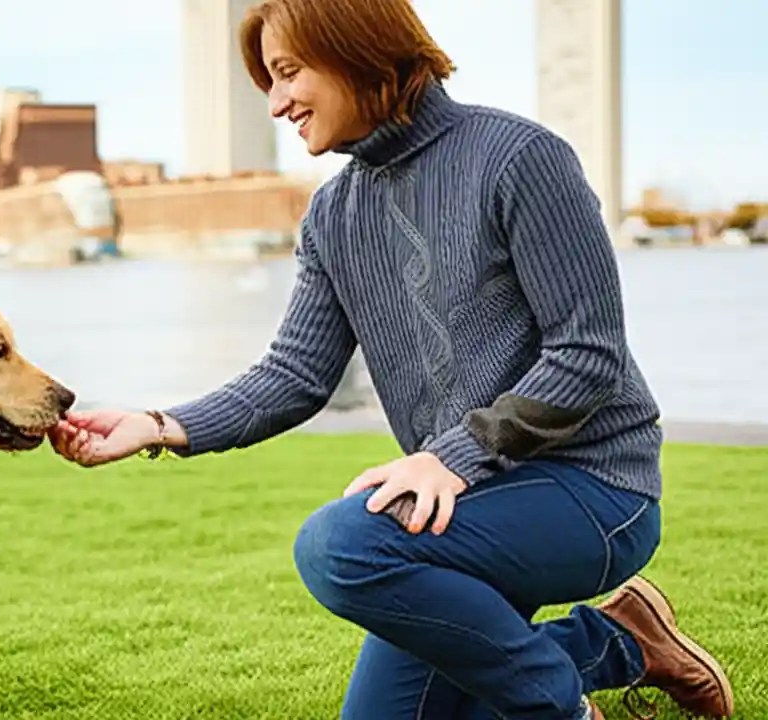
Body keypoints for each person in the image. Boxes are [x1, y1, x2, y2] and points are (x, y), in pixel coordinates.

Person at [48, 1, 735, 719]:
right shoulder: (332, 216)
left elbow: (587, 355)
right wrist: (158, 425)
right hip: (465, 509)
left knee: (341, 545)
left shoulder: (521, 158)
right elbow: (294, 375)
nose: (277, 102)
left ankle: (566, 710)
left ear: (358, 50)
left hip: (593, 491)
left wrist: (452, 457)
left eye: (287, 73)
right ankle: (624, 642)